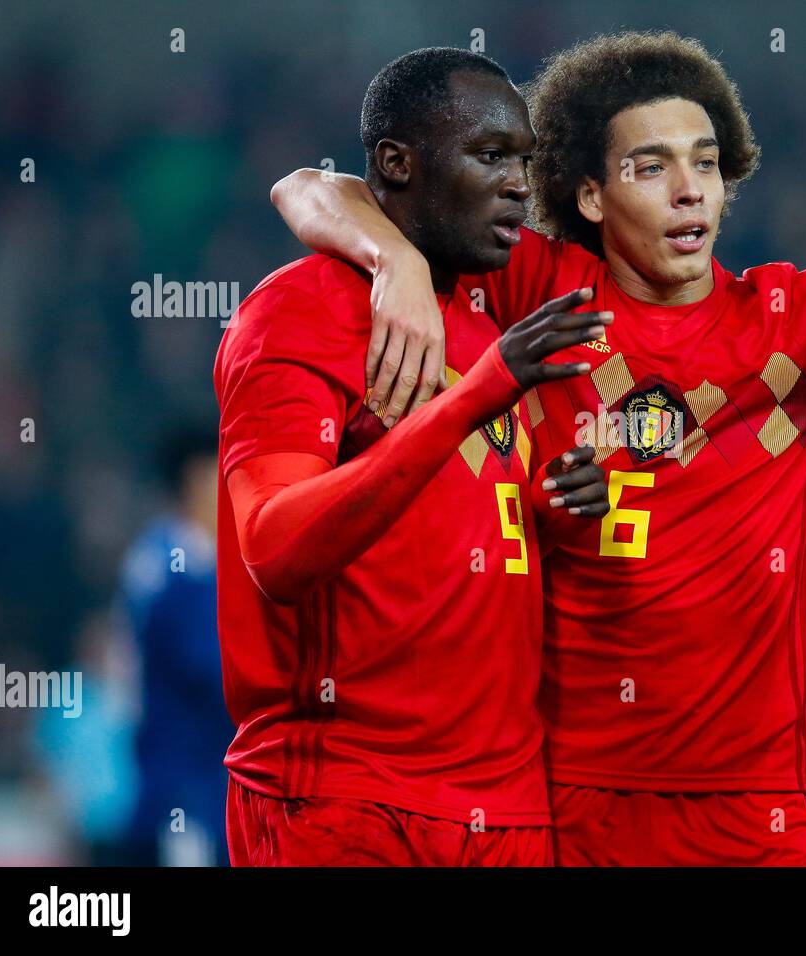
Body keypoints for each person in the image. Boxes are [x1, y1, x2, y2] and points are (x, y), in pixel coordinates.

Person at [272, 31, 806, 865]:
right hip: (571, 811)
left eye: (707, 163)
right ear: (591, 196)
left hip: (757, 817)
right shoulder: (535, 285)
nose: (690, 192)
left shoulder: (802, 322)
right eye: (651, 168)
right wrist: (390, 257)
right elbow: (308, 187)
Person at [214, 48, 607, 866]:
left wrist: (552, 514)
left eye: (525, 163)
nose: (518, 186)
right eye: (491, 155)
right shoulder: (298, 309)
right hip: (348, 802)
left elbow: (448, 534)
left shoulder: (485, 316)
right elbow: (276, 550)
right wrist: (478, 390)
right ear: (397, 163)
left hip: (507, 814)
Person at [120, 423, 230, 865]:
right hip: (183, 788)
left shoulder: (195, 558)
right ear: (193, 480)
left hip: (211, 782)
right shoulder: (169, 569)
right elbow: (210, 668)